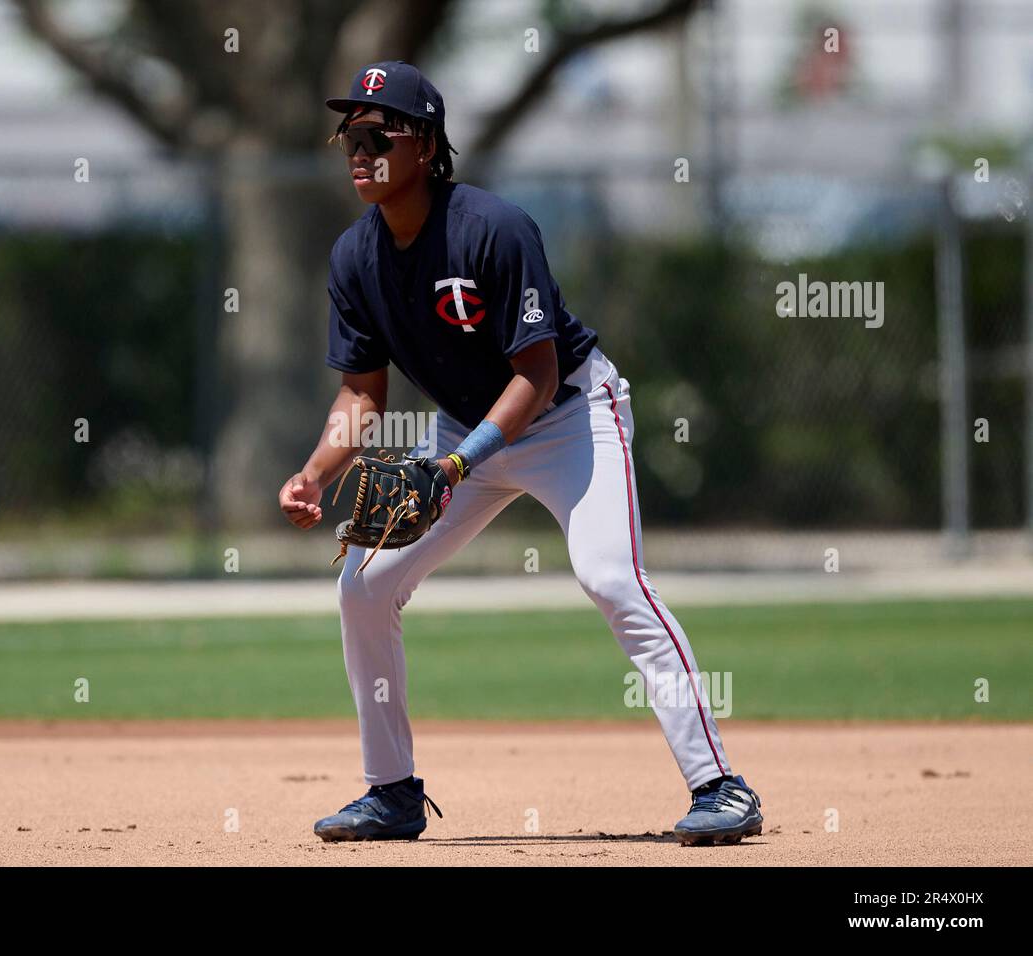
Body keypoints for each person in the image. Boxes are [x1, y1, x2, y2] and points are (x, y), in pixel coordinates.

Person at [277, 61, 762, 846]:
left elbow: (535, 376)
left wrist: (456, 466)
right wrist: (313, 473)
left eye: (378, 133)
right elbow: (363, 396)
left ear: (427, 145)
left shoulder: (492, 229)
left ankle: (722, 785)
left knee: (609, 576)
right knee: (363, 590)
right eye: (348, 136)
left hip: (570, 416)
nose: (358, 149)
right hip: (466, 430)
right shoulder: (353, 259)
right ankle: (392, 792)